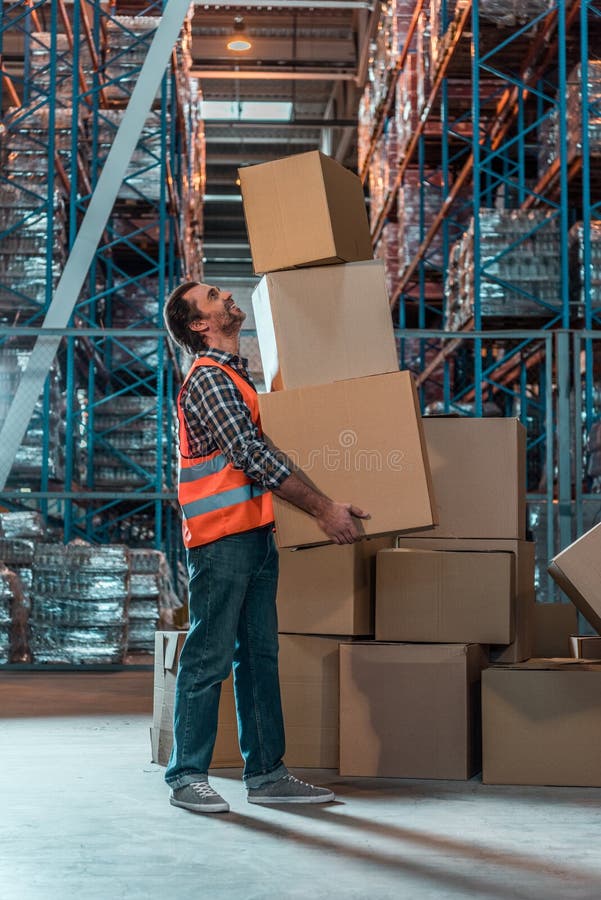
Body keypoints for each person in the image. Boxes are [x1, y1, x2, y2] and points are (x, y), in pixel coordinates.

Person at [163, 280, 369, 814]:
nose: (225, 296)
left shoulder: (237, 378)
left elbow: (266, 452)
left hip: (255, 536)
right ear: (199, 325)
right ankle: (187, 776)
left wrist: (327, 502)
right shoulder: (209, 380)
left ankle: (267, 775)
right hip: (220, 542)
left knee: (259, 657)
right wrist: (324, 511)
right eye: (211, 297)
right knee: (209, 657)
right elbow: (252, 455)